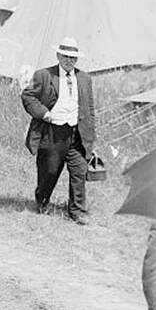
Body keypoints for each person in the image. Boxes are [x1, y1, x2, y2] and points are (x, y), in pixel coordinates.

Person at [21, 37, 96, 224]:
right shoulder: (44, 75)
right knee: (50, 171)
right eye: (65, 56)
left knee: (79, 172)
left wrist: (90, 137)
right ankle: (42, 201)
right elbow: (28, 96)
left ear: (77, 59)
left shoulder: (85, 79)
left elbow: (90, 109)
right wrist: (44, 113)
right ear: (58, 55)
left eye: (72, 57)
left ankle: (77, 211)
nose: (68, 60)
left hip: (76, 134)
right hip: (53, 133)